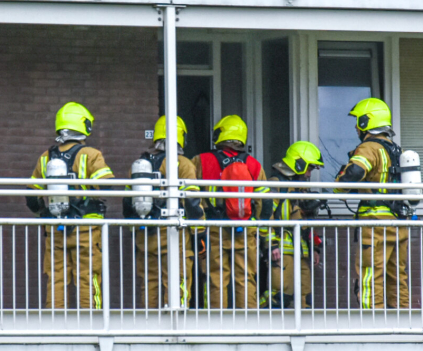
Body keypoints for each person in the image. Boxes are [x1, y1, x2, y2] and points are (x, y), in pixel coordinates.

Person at [27, 102, 114, 309]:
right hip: (87, 227)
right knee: (88, 274)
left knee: (56, 276)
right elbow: (108, 184)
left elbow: (32, 196)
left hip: (55, 227)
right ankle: (90, 322)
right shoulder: (91, 154)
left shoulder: (46, 156)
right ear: (84, 126)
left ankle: (56, 324)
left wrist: (45, 213)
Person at [335, 98, 410, 310]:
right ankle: (403, 321)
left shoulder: (369, 147)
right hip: (399, 222)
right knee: (398, 276)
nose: (356, 127)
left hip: (375, 224)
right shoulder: (397, 150)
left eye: (358, 121)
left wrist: (339, 185)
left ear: (367, 121)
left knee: (370, 274)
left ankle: (371, 324)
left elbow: (356, 172)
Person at [194, 115, 269, 309]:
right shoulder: (254, 165)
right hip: (246, 229)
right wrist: (260, 231)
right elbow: (264, 203)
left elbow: (190, 196)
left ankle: (215, 325)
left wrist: (197, 229)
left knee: (216, 277)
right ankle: (248, 325)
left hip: (214, 229)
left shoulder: (201, 161)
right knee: (246, 278)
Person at [128, 116, 202, 308]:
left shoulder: (140, 165)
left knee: (150, 282)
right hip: (174, 234)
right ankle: (178, 324)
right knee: (178, 279)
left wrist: (134, 230)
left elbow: (127, 202)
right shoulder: (183, 164)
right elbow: (192, 201)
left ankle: (149, 325)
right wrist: (199, 231)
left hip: (146, 234)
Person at [262, 141, 325, 309]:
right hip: (281, 251)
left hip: (302, 252)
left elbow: (305, 222)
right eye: (309, 168)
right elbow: (265, 217)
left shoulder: (300, 188)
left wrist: (314, 248)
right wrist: (271, 245)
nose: (309, 174)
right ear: (298, 163)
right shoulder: (276, 184)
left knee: (306, 298)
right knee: (281, 296)